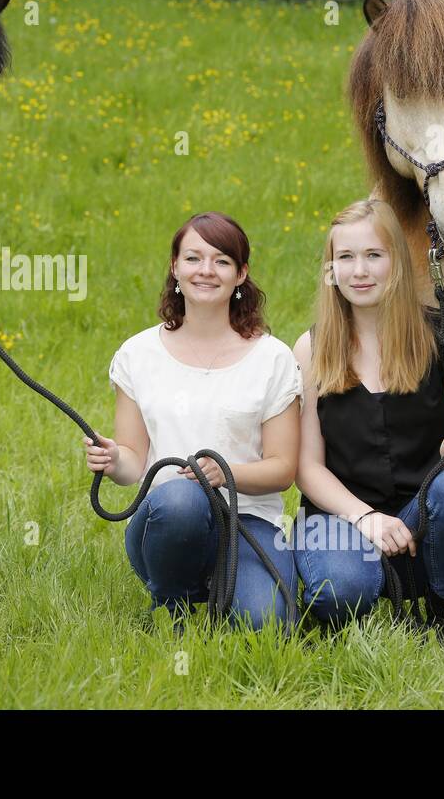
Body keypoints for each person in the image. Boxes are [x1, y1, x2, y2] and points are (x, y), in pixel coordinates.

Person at [84, 211, 301, 631]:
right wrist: (114, 460)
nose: (206, 270)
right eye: (193, 258)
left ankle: (229, 586)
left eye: (221, 260)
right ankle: (172, 605)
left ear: (241, 274)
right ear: (174, 268)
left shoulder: (273, 358)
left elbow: (283, 470)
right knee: (183, 498)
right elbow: (133, 463)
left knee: (267, 625)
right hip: (168, 517)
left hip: (248, 520)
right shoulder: (138, 354)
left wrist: (226, 472)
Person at [292, 198, 444, 639]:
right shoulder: (310, 350)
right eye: (345, 257)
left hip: (421, 514)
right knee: (343, 590)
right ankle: (346, 592)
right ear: (331, 268)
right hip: (339, 518)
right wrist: (366, 519)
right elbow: (306, 468)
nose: (359, 271)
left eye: (373, 256)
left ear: (397, 261)